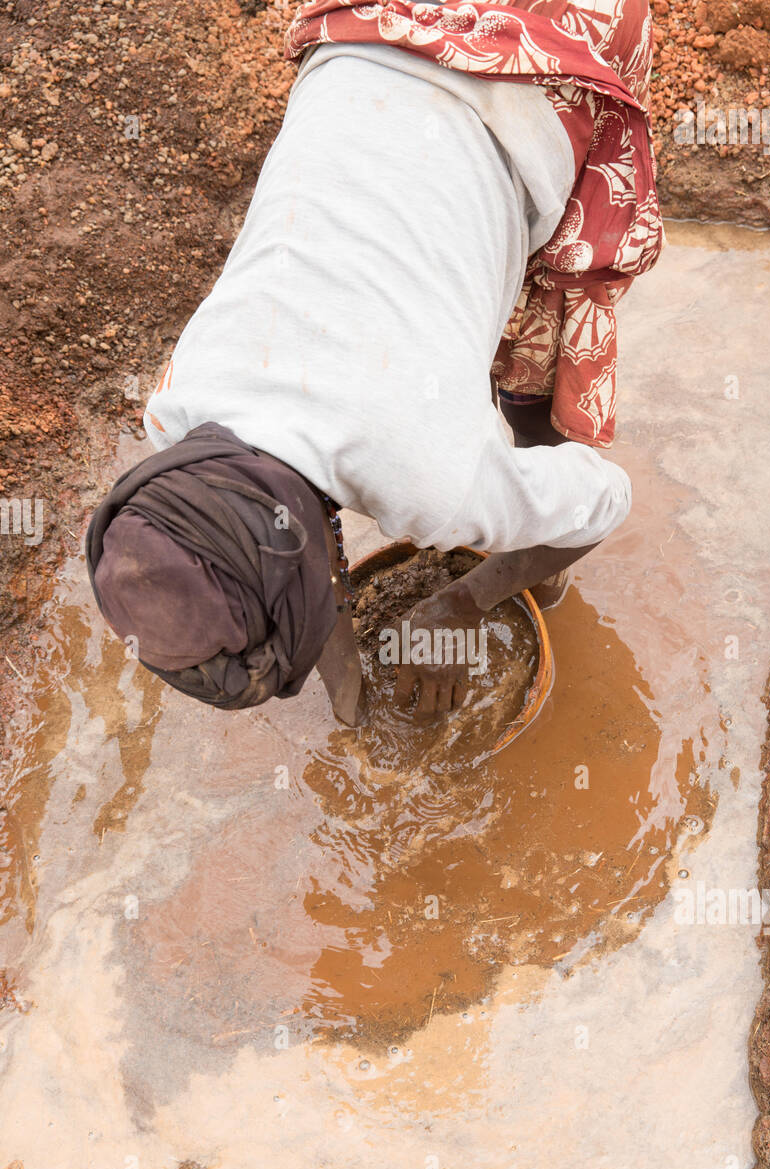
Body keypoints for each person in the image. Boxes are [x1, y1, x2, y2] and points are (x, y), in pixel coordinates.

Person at [87, 0, 662, 724]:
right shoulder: (176, 419)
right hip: (366, 45)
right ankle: (525, 542)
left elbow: (606, 502)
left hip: (538, 61)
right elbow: (285, 522)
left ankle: (532, 563)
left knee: (536, 372)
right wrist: (351, 695)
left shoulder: (437, 483)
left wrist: (459, 604)